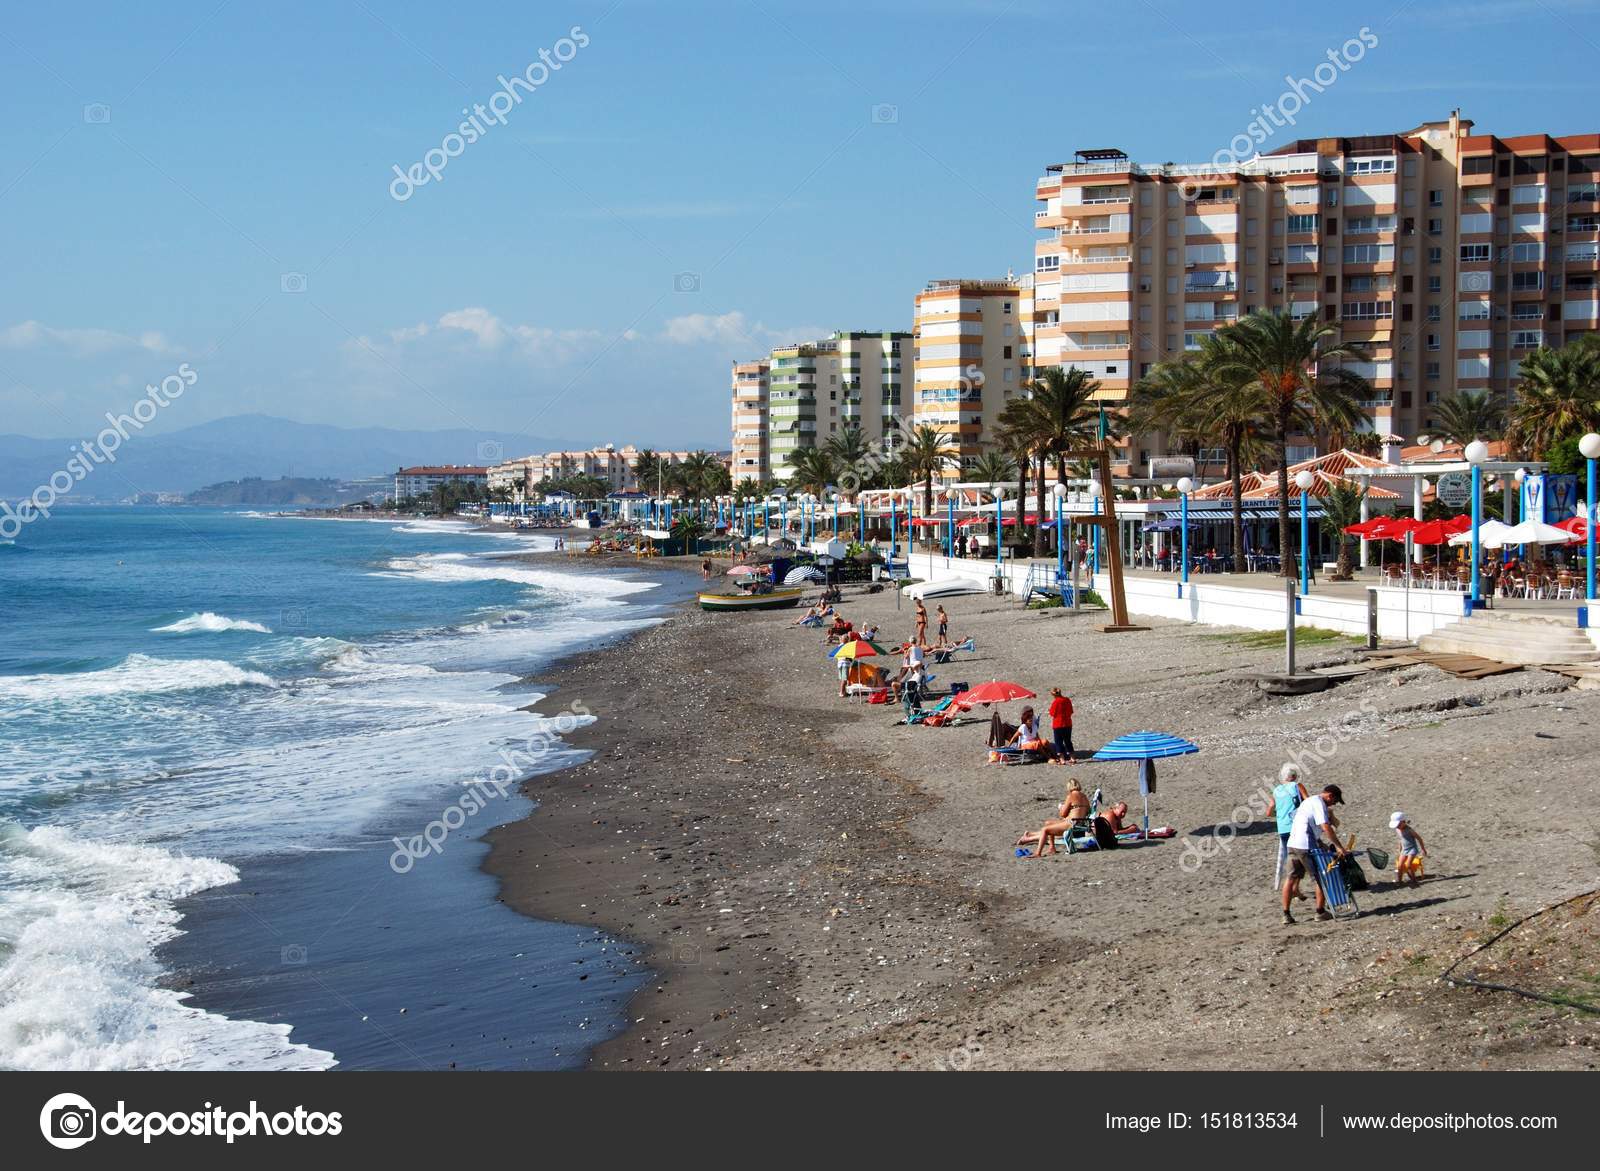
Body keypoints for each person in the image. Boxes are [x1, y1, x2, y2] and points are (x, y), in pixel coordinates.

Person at [1281, 784, 1347, 925]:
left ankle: (1286, 915)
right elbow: (1325, 826)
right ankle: (1320, 912)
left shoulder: (1308, 801)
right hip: (1305, 846)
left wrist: (1320, 842)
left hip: (1293, 843)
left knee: (1290, 878)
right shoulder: (1319, 804)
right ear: (1329, 796)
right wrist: (1339, 846)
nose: (1333, 805)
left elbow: (1306, 824)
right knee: (1321, 877)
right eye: (1334, 801)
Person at [1016, 778, 1093, 857]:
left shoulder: (1071, 796)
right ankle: (1052, 848)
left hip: (1072, 824)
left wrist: (1061, 808)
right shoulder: (1084, 797)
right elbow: (1088, 811)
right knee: (1048, 823)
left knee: (1045, 829)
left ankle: (1038, 853)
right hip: (1080, 823)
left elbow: (1063, 814)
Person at [1264, 763, 1309, 901]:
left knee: (1291, 858)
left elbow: (1269, 811)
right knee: (1303, 857)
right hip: (1296, 827)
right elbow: (1308, 802)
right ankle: (1295, 887)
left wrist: (1279, 815)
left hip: (1282, 829)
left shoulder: (1277, 790)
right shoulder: (1298, 786)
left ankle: (1294, 888)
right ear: (1295, 776)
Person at [1390, 811, 1427, 885]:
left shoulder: (1409, 830)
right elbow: (1400, 839)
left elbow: (1419, 839)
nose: (1397, 827)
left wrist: (1423, 849)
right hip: (1404, 849)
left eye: (1398, 825)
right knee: (1400, 865)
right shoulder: (1397, 830)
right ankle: (1399, 882)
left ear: (1403, 822)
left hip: (1412, 849)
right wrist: (1400, 849)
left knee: (1408, 865)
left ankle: (1414, 881)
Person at [1047, 687, 1075, 764]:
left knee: (1058, 742)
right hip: (1068, 723)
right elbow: (1071, 711)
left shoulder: (1055, 702)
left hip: (1058, 724)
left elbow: (1052, 714)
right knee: (1068, 741)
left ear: (1053, 695)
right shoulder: (1067, 700)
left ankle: (1062, 760)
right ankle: (1072, 758)